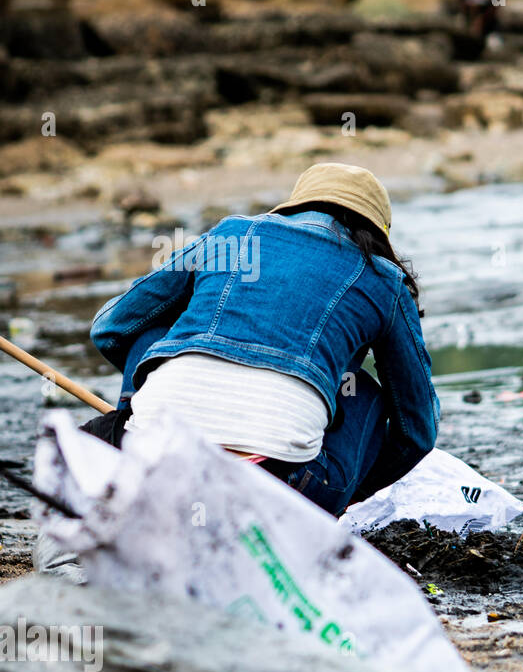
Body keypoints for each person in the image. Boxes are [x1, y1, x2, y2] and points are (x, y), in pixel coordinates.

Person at [86, 162, 439, 517]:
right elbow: (417, 432)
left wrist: (138, 404)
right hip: (285, 490)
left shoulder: (231, 234)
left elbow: (111, 327)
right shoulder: (384, 279)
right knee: (363, 391)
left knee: (155, 334)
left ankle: (122, 459)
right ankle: (306, 520)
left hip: (151, 455)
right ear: (376, 233)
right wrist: (348, 493)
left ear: (294, 207)